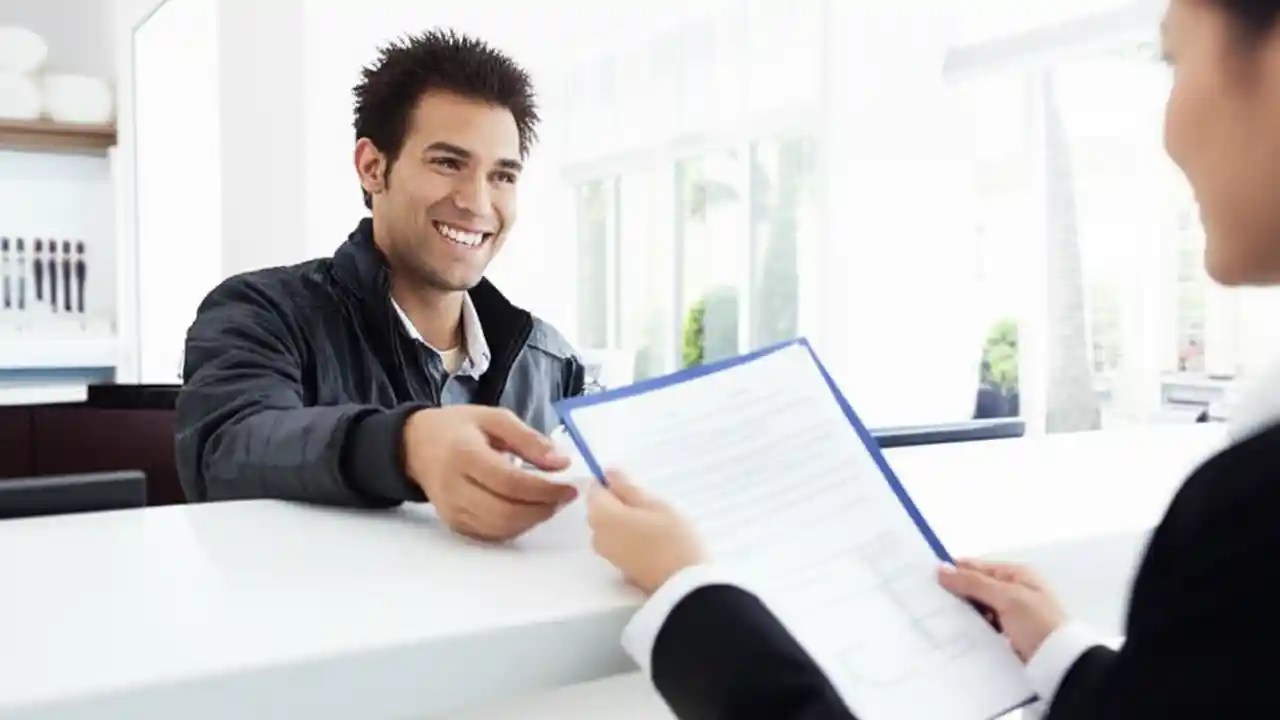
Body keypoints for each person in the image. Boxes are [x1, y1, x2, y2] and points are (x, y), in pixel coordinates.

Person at [586, 0, 1280, 717]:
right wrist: (1064, 658)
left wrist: (689, 596)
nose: (1168, 133)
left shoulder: (1251, 517)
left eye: (1174, 59)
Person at [176, 30, 582, 542]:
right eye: (448, 163)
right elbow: (224, 453)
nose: (478, 203)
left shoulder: (552, 363)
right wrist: (404, 445)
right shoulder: (261, 312)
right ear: (372, 167)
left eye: (502, 176)